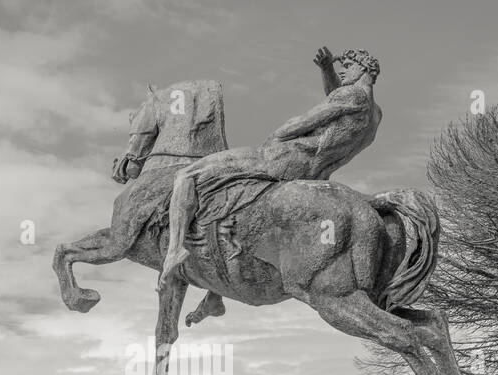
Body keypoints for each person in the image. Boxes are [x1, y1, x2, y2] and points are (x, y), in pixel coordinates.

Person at [159, 47, 383, 285]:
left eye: (348, 66)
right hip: (316, 174)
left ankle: (174, 250)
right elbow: (338, 99)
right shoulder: (375, 114)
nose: (343, 70)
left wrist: (280, 134)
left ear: (364, 68)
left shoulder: (352, 97)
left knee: (187, 175)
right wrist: (327, 70)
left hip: (283, 159)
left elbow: (309, 119)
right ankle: (215, 291)